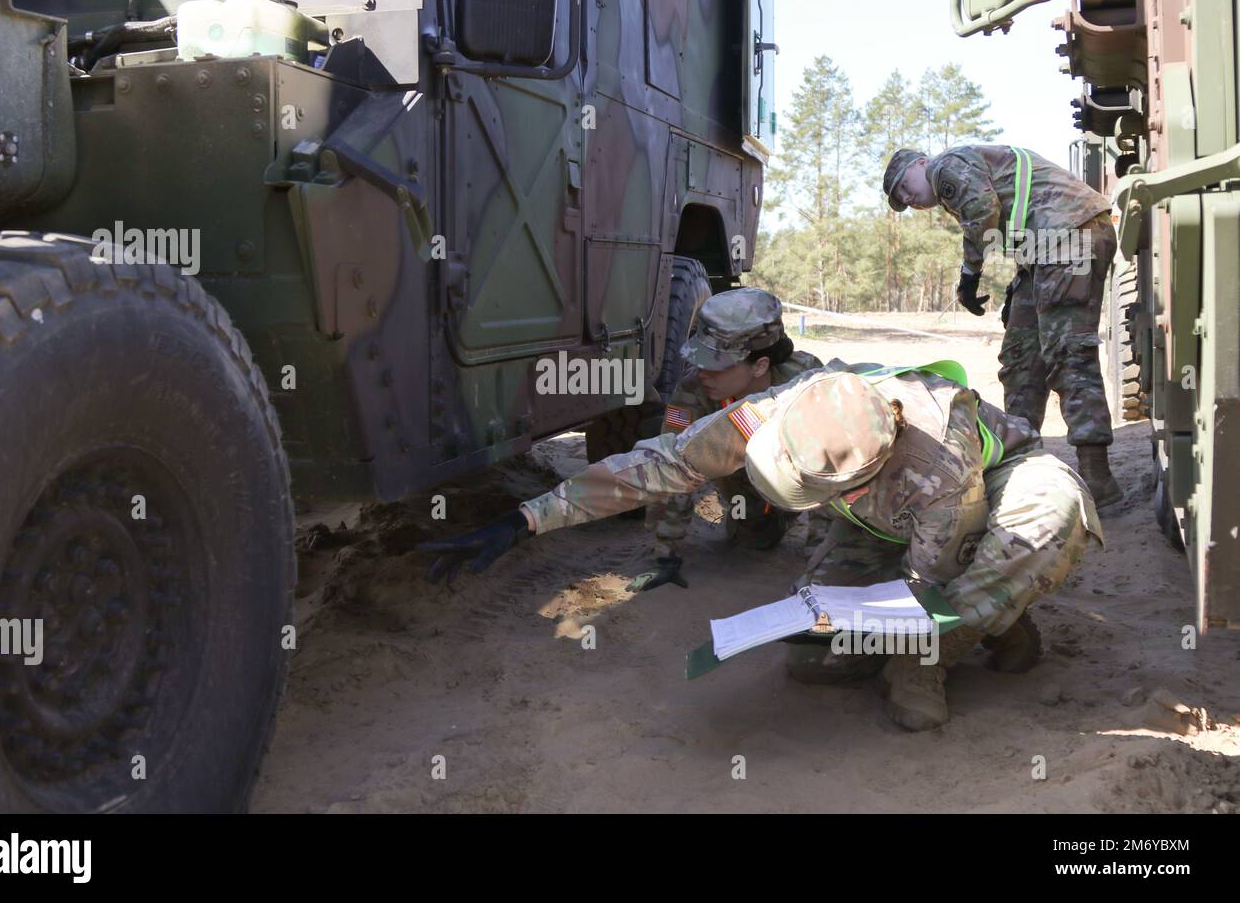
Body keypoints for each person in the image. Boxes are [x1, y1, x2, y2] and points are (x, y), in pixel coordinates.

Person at [418, 361, 1103, 731]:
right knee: (814, 658)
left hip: (993, 496)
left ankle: (975, 635)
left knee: (1029, 533)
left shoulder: (938, 464)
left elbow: (925, 582)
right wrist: (525, 520)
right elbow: (661, 465)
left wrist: (920, 645)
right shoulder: (779, 411)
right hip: (882, 523)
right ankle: (985, 616)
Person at [882, 144, 1122, 507]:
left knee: (1068, 353)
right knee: (1021, 356)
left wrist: (970, 273)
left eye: (903, 186)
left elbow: (981, 210)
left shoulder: (945, 166)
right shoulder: (952, 176)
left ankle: (1097, 477)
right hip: (1045, 248)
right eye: (901, 199)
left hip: (1072, 234)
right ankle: (1019, 463)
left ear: (920, 163)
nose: (907, 199)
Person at [630, 288, 823, 593]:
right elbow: (671, 468)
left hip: (800, 474)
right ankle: (772, 518)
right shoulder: (693, 391)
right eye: (700, 359)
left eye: (716, 364)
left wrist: (818, 573)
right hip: (745, 478)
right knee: (755, 539)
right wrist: (666, 555)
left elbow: (834, 475)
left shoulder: (807, 384)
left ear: (759, 365)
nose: (702, 373)